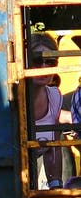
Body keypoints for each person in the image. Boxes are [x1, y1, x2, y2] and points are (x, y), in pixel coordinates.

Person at [30, 33, 71, 189]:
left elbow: (53, 147)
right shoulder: (13, 98)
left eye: (50, 62)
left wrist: (55, 187)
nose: (44, 68)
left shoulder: (54, 96)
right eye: (37, 60)